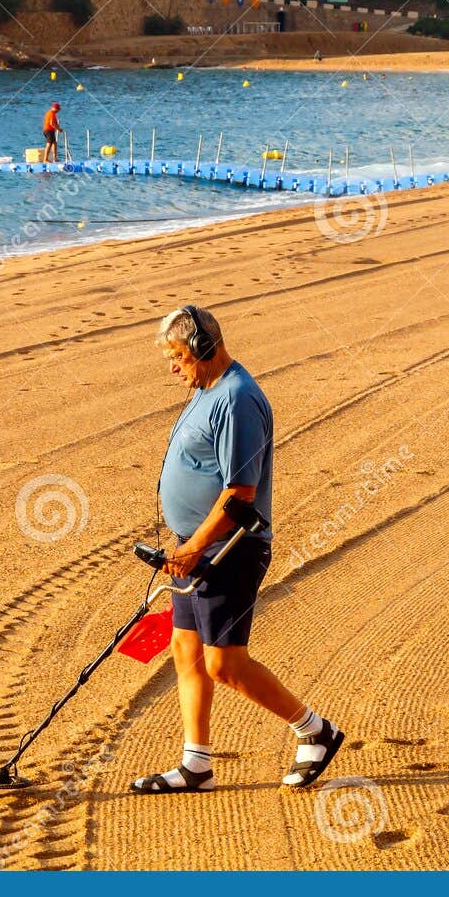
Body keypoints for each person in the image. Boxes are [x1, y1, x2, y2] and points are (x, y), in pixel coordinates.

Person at [131, 305, 343, 794]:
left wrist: (197, 547)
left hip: (230, 549)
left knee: (223, 663)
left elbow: (240, 494)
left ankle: (315, 730)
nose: (173, 367)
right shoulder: (206, 391)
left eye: (178, 356)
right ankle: (196, 765)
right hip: (195, 548)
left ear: (204, 348)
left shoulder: (238, 399)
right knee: (185, 651)